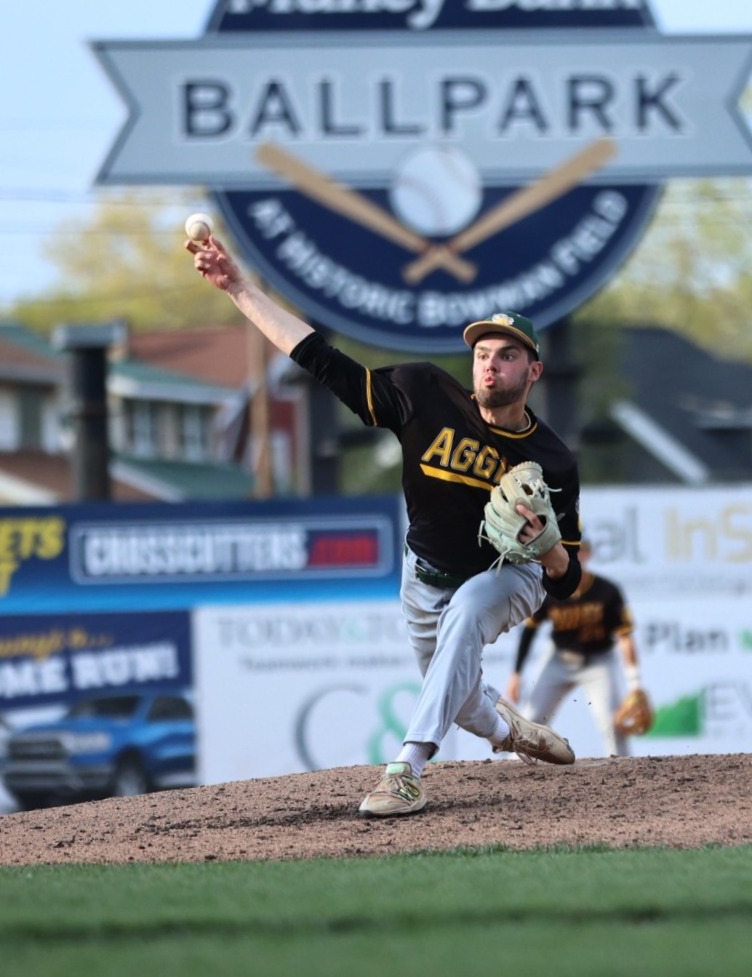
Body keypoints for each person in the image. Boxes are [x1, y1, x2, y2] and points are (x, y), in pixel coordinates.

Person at [189, 231, 585, 817]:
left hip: (509, 574)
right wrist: (240, 287)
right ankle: (508, 731)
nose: (490, 364)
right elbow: (322, 361)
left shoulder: (552, 460)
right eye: (482, 353)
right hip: (423, 575)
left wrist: (549, 550)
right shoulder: (423, 393)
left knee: (470, 611)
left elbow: (568, 577)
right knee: (456, 689)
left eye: (506, 355)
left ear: (534, 369)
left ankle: (407, 770)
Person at [504, 542, 644, 757]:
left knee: (612, 723)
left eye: (579, 549)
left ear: (588, 553)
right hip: (559, 659)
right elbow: (530, 630)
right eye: (569, 550)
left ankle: (624, 774)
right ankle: (512, 769)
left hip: (598, 661)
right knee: (531, 718)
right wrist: (516, 674)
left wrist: (634, 683)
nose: (574, 555)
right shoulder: (550, 588)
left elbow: (625, 638)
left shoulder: (607, 591)